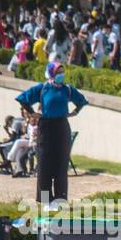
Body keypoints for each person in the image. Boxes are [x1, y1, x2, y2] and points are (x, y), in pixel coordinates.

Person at [15, 61, 87, 203]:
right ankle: (45, 200)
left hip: (61, 127)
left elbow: (81, 101)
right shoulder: (43, 88)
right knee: (44, 163)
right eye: (58, 72)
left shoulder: (67, 89)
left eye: (62, 71)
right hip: (45, 127)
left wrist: (75, 112)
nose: (61, 74)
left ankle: (60, 200)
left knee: (61, 164)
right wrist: (32, 113)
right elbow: (22, 98)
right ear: (52, 73)